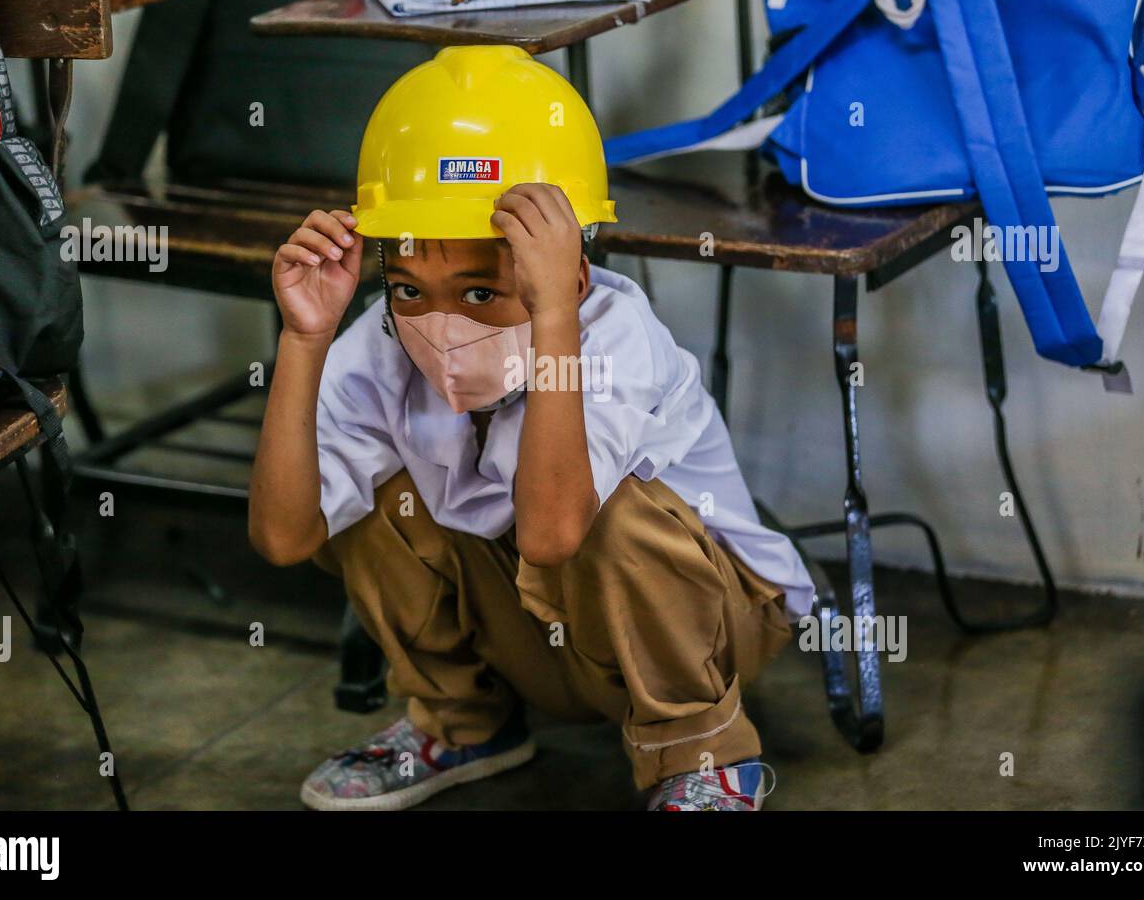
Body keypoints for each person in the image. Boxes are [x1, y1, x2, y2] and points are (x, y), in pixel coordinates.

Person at [248, 46, 814, 811]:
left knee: (613, 513)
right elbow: (286, 537)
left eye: (482, 289)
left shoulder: (615, 336)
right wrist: (304, 341)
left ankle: (703, 758)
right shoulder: (375, 347)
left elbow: (553, 535)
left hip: (712, 626)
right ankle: (463, 726)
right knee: (375, 504)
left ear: (571, 277)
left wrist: (554, 322)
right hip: (539, 628)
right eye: (410, 288)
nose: (440, 325)